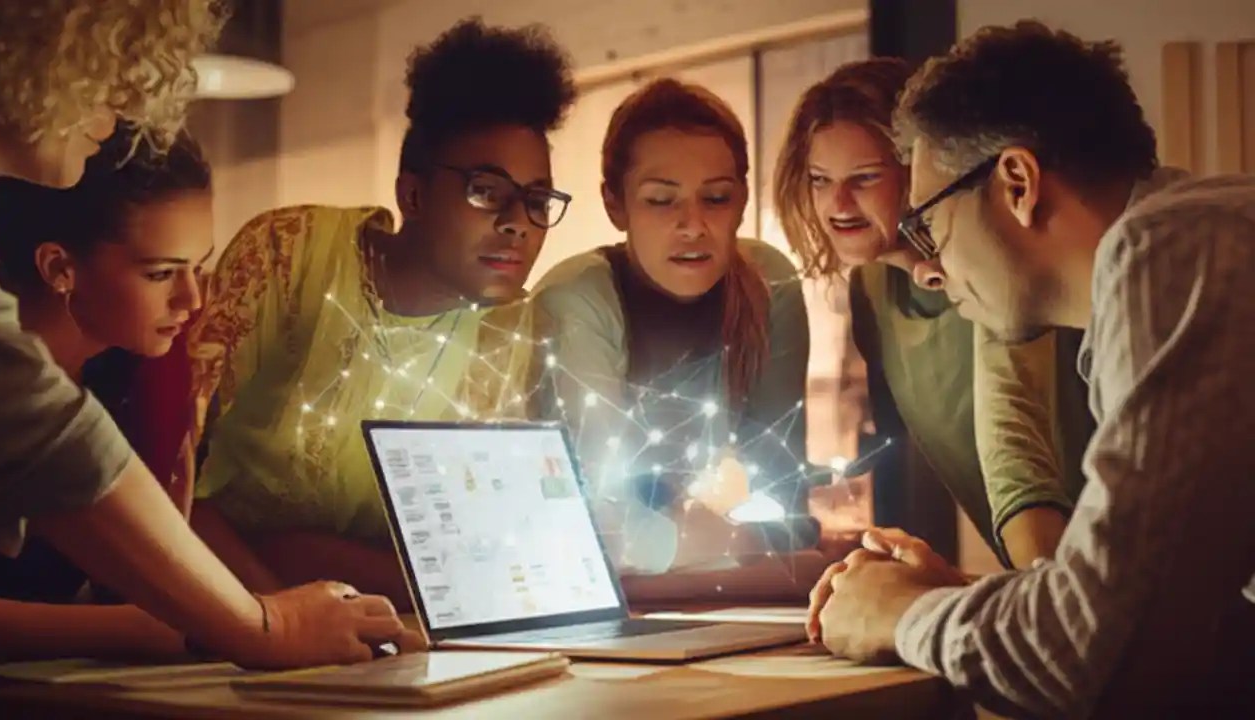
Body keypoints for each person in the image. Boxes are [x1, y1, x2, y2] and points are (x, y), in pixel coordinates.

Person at [806, 22, 1255, 717]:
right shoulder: (1192, 243)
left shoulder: (1166, 246)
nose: (934, 264)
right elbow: (1189, 633)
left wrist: (904, 616)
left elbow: (1107, 661)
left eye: (928, 220)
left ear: (1017, 181)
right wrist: (964, 602)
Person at [0, 1, 413, 668]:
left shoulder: (139, 383)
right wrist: (256, 624)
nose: (120, 114)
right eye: (100, 76)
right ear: (29, 51)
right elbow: (40, 435)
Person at [188, 18, 577, 605]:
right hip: (202, 604)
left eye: (537, 200)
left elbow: (460, 558)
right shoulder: (290, 254)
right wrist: (273, 621)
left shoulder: (513, 333)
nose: (517, 222)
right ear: (412, 195)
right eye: (486, 191)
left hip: (373, 627)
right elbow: (165, 472)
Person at [773, 58, 1094, 569]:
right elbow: (909, 462)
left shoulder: (996, 265)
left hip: (1105, 569)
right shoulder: (872, 289)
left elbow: (1023, 465)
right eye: (818, 179)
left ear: (918, 169)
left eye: (864, 177)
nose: (837, 203)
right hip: (1033, 583)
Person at [532, 78, 814, 576]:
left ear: (743, 199)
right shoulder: (577, 299)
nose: (692, 225)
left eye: (717, 198)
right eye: (662, 201)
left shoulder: (770, 283)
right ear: (615, 204)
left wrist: (755, 539)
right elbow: (598, 523)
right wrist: (733, 541)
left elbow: (783, 491)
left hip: (703, 572)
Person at [0, 130, 214, 661]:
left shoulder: (135, 387)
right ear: (60, 268)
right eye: (161, 273)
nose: (191, 299)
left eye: (198, 267)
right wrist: (134, 629)